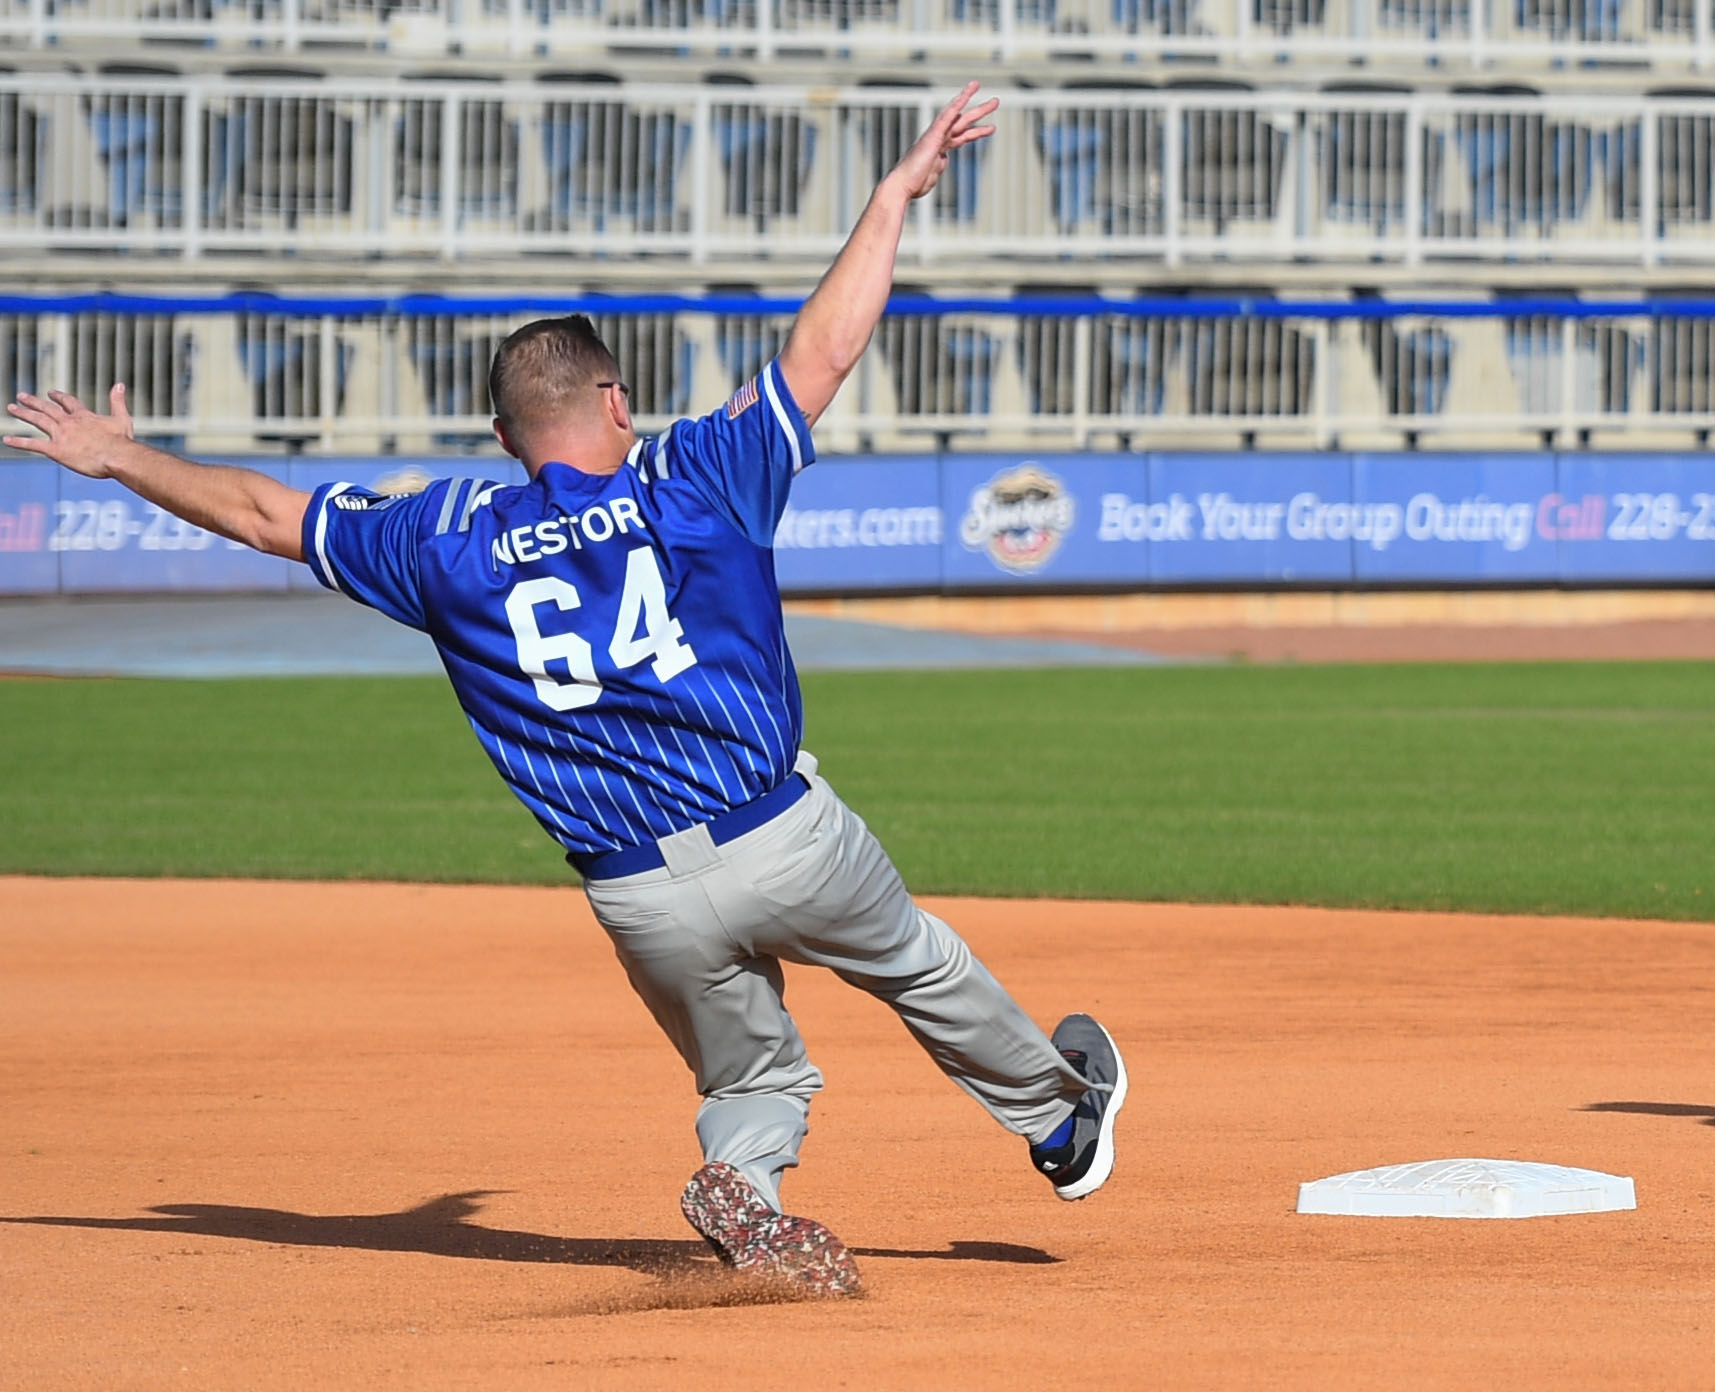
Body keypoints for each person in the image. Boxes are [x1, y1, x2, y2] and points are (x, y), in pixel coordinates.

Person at [5, 83, 1126, 1300]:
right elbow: (826, 347)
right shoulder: (695, 472)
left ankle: (747, 1179)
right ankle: (1057, 1121)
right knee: (913, 961)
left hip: (638, 893)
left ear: (503, 439)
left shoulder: (445, 540)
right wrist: (890, 196)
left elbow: (267, 512)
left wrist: (116, 457)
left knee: (751, 1078)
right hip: (781, 832)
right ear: (617, 401)